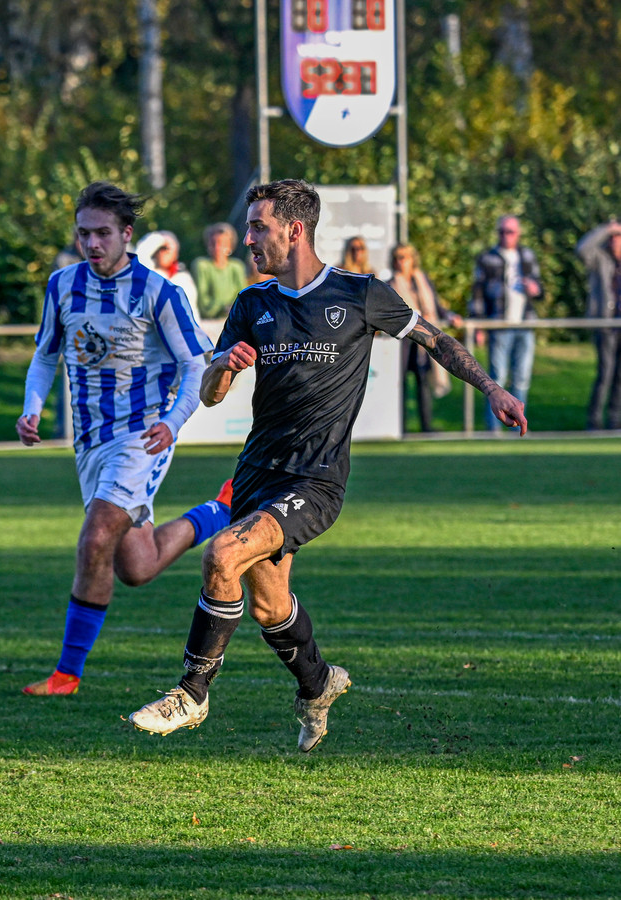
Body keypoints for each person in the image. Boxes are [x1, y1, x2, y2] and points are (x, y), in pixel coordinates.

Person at [127, 179, 526, 751]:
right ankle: (318, 685)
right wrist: (226, 369)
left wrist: (491, 388)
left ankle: (191, 693)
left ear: (295, 229)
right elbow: (212, 393)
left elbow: (435, 341)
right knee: (268, 605)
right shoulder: (251, 304)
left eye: (258, 227)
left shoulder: (360, 293)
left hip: (315, 479)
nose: (248, 239)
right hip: (257, 472)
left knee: (223, 554)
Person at [17, 182, 228, 696]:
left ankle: (67, 674)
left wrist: (173, 423)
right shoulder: (63, 284)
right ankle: (219, 512)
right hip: (89, 442)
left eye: (103, 233)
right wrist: (32, 407)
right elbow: (46, 355)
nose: (92, 243)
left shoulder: (159, 292)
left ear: (126, 234)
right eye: (84, 233)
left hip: (142, 437)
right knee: (136, 566)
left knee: (94, 537)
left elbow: (196, 362)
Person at [470, 215, 543, 432]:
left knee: (522, 377)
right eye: (502, 231)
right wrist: (479, 325)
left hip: (524, 324)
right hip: (499, 324)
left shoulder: (527, 255)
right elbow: (477, 293)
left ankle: (518, 428)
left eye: (510, 231)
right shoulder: (487, 257)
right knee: (496, 379)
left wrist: (535, 289)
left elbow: (540, 288)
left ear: (518, 233)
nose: (505, 235)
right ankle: (493, 431)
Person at [388, 243, 463, 432]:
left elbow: (437, 306)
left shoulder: (423, 281)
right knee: (401, 384)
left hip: (424, 340)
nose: (401, 261)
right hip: (403, 341)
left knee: (423, 382)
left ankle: (426, 427)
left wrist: (450, 316)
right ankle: (400, 428)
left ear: (413, 259)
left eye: (405, 257)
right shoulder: (390, 283)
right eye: (397, 257)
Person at [576, 221, 621, 430]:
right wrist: (606, 229)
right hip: (605, 324)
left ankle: (615, 420)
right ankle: (594, 421)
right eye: (613, 237)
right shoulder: (600, 258)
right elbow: (582, 249)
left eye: (618, 236)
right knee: (605, 372)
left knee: (620, 375)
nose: (615, 241)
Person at [191, 222, 247, 319]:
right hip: (209, 321)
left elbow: (243, 296)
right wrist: (223, 308)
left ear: (230, 246)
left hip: (235, 320)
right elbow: (203, 303)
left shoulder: (237, 267)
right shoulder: (202, 265)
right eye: (213, 243)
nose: (217, 247)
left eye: (222, 243)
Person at [135, 230, 199, 313]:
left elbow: (192, 309)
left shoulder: (183, 277)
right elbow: (139, 255)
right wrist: (159, 239)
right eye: (160, 248)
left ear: (176, 253)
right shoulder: (148, 272)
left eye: (166, 248)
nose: (162, 252)